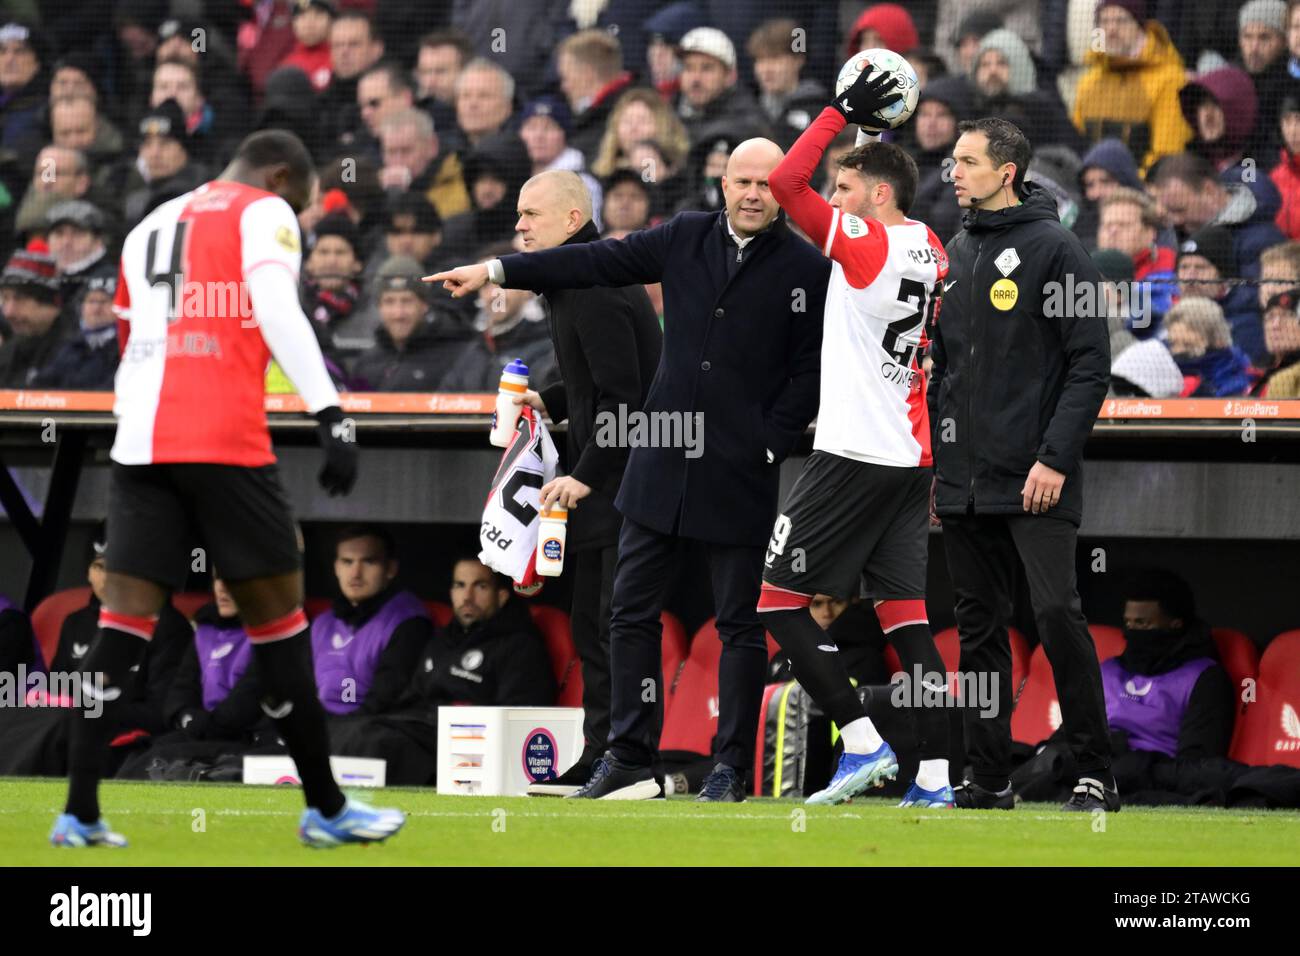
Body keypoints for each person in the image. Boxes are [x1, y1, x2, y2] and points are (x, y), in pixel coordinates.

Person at [429, 136, 828, 803]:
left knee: (737, 622)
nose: (754, 193)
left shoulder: (805, 269)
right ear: (722, 185)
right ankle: (626, 756)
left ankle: (729, 766)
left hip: (738, 467)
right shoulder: (684, 236)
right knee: (628, 613)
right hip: (658, 461)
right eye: (742, 181)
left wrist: (770, 442)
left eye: (767, 183)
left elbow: (812, 371)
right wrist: (495, 272)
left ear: (782, 189)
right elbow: (593, 259)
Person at [50, 129, 404, 849]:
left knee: (119, 633)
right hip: (223, 443)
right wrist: (329, 412)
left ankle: (80, 812)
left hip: (140, 445)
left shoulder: (148, 224)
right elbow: (276, 309)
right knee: (279, 626)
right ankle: (328, 809)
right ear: (280, 175)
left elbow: (128, 340)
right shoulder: (260, 210)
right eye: (301, 203)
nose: (299, 219)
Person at [762, 71, 955, 809]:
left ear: (875, 198)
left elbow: (785, 181)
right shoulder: (929, 245)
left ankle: (864, 742)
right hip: (911, 459)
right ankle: (935, 778)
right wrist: (874, 132)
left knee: (778, 603)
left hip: (852, 454)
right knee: (908, 621)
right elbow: (880, 180)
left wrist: (839, 109)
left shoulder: (867, 246)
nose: (830, 199)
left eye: (843, 189)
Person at [932, 117, 1117, 812]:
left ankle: (1096, 769)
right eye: (953, 160)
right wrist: (942, 467)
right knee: (978, 631)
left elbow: (1089, 366)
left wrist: (1052, 460)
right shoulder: (955, 253)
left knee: (1055, 615)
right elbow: (941, 373)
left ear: (1006, 171)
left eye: (968, 161)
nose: (954, 172)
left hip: (1037, 477)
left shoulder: (1057, 249)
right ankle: (989, 778)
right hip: (966, 482)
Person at [491, 169, 661, 796]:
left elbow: (627, 398)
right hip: (601, 480)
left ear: (570, 220)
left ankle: (631, 759)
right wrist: (550, 396)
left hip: (623, 483)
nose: (519, 227)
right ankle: (600, 753)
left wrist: (584, 477)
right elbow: (597, 385)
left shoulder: (592, 283)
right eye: (517, 215)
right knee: (592, 623)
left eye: (530, 214)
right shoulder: (575, 280)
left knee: (618, 622)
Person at [329, 557, 556, 785]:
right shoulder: (442, 640)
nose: (467, 597)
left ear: (502, 595)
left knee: (374, 742)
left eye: (480, 586)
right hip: (417, 728)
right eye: (460, 585)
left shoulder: (519, 647)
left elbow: (519, 720)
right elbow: (412, 697)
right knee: (340, 730)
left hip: (462, 745)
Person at [0, 526, 189, 778]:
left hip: (124, 733)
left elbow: (162, 711)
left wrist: (92, 707)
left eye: (119, 566)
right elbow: (56, 689)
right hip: (66, 721)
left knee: (59, 722)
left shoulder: (169, 627)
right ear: (88, 573)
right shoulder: (75, 622)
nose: (108, 578)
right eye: (99, 567)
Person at [311, 526, 431, 717]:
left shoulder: (409, 621)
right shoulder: (322, 623)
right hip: (321, 726)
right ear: (336, 568)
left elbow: (386, 699)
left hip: (369, 729)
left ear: (390, 569)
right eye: (347, 562)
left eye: (368, 562)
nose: (355, 573)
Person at [1072, 1, 1192, 174]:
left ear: (1140, 26)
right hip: (1091, 189)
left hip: (1143, 191)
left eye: (1121, 20)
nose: (1111, 29)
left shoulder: (1169, 80)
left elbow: (1167, 156)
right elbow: (1077, 145)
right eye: (1104, 21)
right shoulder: (1089, 82)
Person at [436, 244, 557, 392]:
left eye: (502, 282)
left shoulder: (551, 348)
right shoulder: (471, 353)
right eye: (486, 284)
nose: (495, 294)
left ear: (528, 289)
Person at [350, 256, 472, 391]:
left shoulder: (456, 358)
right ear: (379, 307)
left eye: (407, 301)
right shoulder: (366, 363)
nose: (398, 313)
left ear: (424, 305)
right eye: (389, 302)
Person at [747, 18, 828, 151]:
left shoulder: (819, 112)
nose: (766, 69)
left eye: (775, 58)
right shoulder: (748, 111)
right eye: (760, 60)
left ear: (798, 60)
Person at [557, 29, 636, 165]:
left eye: (566, 78)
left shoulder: (619, 122)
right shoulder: (595, 118)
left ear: (587, 74)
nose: (564, 87)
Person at [0, 249, 72, 388]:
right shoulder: (9, 352)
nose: (8, 312)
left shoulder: (76, 352)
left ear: (52, 303)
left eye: (19, 299)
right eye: (5, 298)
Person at [33, 274, 119, 390]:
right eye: (91, 301)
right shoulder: (71, 347)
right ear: (81, 307)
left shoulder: (124, 348)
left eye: (104, 301)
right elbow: (43, 383)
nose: (96, 308)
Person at [1164, 296, 1255, 396]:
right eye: (1173, 344)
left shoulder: (1233, 382)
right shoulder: (1163, 378)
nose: (1178, 352)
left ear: (1217, 342)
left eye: (1188, 345)